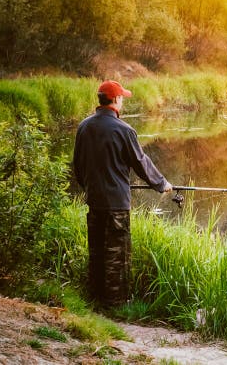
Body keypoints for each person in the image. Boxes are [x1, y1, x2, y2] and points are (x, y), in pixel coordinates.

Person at [73, 80, 173, 307]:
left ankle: (95, 299)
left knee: (97, 252)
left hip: (95, 201)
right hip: (116, 204)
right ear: (116, 100)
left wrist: (89, 187)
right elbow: (140, 162)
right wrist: (161, 183)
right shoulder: (124, 130)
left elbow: (78, 166)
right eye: (122, 98)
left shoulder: (84, 127)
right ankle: (115, 305)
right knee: (116, 256)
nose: (123, 102)